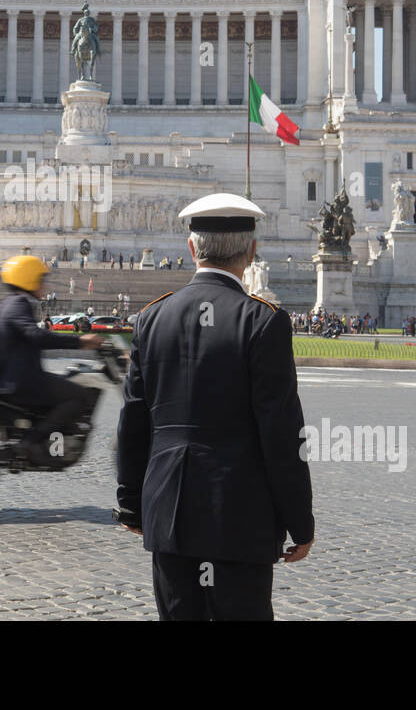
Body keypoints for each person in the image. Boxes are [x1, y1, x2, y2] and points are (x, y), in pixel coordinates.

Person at [116, 192, 314, 620]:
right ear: (251, 251)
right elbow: (282, 435)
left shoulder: (151, 318)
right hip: (240, 515)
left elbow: (133, 420)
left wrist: (131, 501)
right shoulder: (263, 320)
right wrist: (300, 521)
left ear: (191, 249)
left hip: (169, 509)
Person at [0, 255, 103, 466]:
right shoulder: (18, 304)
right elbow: (36, 336)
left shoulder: (11, 303)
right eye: (41, 279)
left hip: (17, 379)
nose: (45, 284)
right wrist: (80, 342)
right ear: (28, 280)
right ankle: (31, 442)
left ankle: (48, 443)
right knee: (79, 397)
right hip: (21, 382)